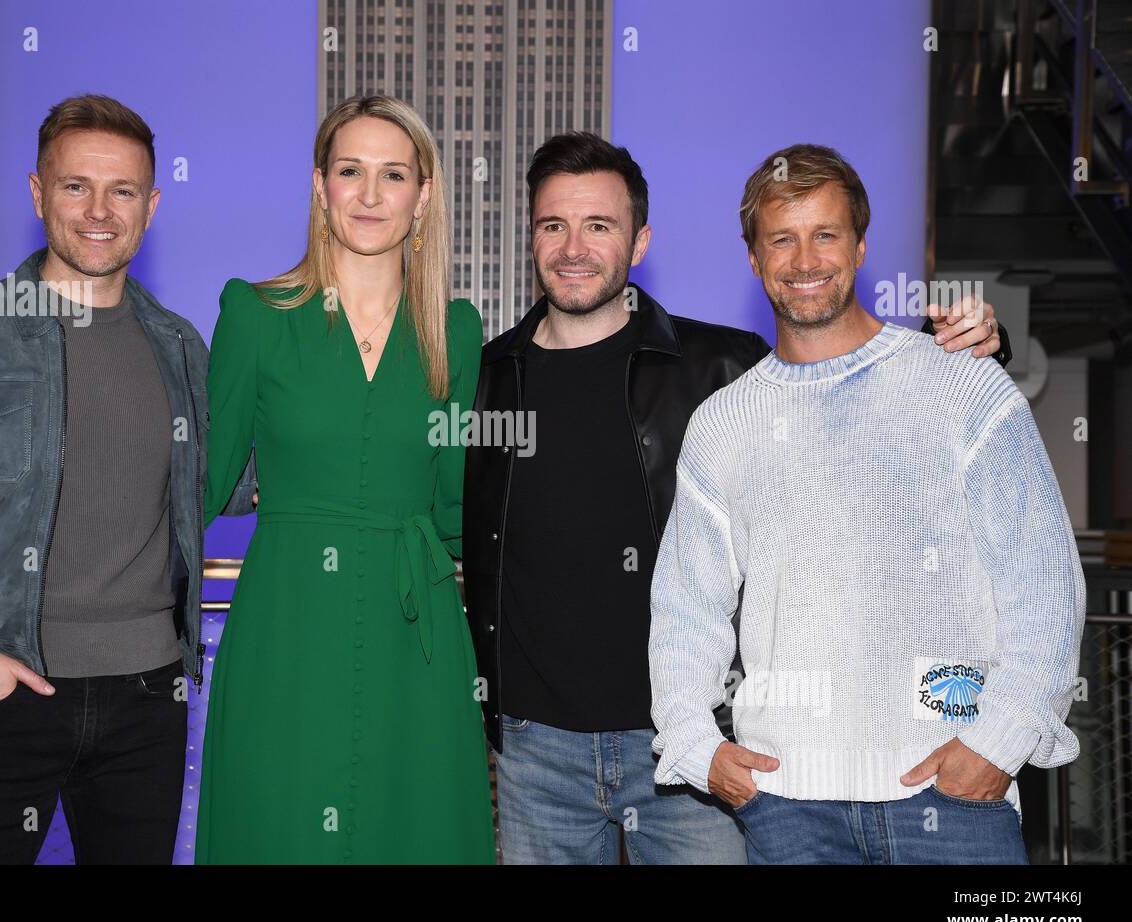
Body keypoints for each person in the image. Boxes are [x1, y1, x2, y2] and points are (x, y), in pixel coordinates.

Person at [463, 132, 1011, 864]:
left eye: (599, 225)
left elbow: (852, 384)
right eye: (553, 224)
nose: (573, 246)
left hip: (699, 754)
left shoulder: (723, 366)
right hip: (537, 754)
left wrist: (970, 347)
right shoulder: (486, 379)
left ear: (640, 238)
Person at [0, 94, 254, 863]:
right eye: (75, 186)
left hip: (146, 700)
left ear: (150, 205)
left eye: (122, 190)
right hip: (2, 692)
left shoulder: (181, 347)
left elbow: (226, 486)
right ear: (37, 193)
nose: (100, 210)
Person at [648, 143, 1084, 865]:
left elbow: (1044, 580)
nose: (805, 258)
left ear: (859, 245)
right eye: (781, 238)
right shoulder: (723, 423)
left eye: (825, 234)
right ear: (754, 259)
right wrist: (695, 744)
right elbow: (685, 608)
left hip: (953, 796)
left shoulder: (961, 385)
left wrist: (999, 743)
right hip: (788, 808)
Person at [196, 95, 495, 864]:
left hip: (418, 641)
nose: (369, 194)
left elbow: (462, 507)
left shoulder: (455, 330)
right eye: (350, 171)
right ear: (321, 187)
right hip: (286, 629)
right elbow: (195, 487)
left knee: (414, 829)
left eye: (392, 175)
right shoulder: (254, 314)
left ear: (422, 195)